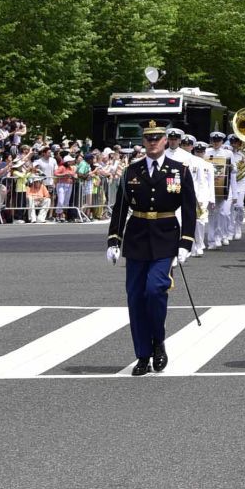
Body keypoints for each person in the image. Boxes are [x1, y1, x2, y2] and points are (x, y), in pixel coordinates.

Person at [106, 119, 197, 376]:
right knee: (135, 298)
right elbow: (121, 208)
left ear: (166, 140)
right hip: (137, 237)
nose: (153, 142)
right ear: (143, 142)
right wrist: (114, 239)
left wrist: (186, 242)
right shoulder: (131, 171)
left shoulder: (180, 170)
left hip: (166, 236)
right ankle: (143, 355)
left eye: (158, 138)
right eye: (148, 138)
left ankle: (159, 340)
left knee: (155, 289)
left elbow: (190, 208)